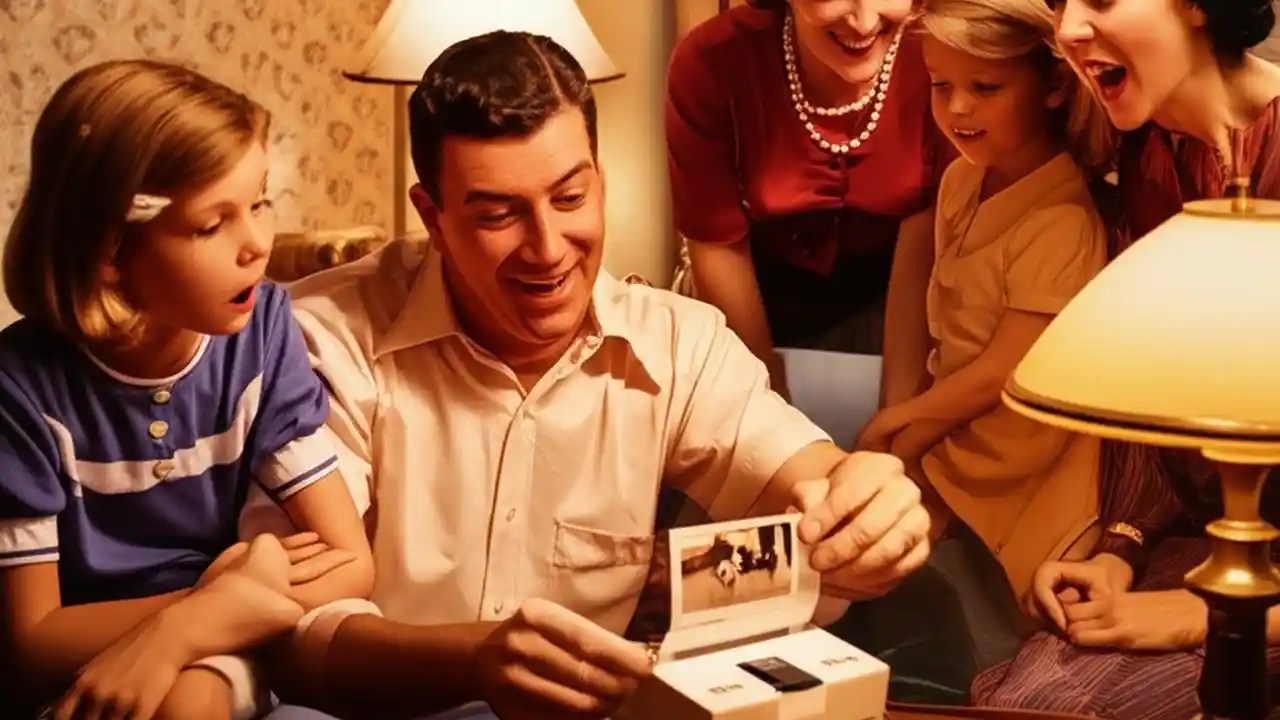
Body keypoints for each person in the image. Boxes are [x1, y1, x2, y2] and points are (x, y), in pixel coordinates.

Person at [265, 30, 930, 720]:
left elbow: (809, 476)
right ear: (432, 216)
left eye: (570, 198)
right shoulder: (319, 338)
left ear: (600, 182)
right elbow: (296, 637)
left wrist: (865, 509)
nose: (549, 249)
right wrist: (476, 661)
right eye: (498, 214)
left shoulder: (676, 342)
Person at [0, 60, 374, 720]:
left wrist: (196, 632)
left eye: (260, 202)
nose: (257, 244)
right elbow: (32, 642)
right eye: (212, 224)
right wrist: (207, 605)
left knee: (190, 700)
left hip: (223, 648)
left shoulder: (264, 334)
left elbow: (350, 560)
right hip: (87, 669)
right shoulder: (20, 387)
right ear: (110, 248)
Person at [971, 0, 1280, 716]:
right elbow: (1152, 397)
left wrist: (1202, 612)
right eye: (1059, 3)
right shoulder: (1149, 157)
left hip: (1251, 593)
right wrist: (1121, 548)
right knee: (1023, 695)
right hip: (1198, 551)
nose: (1070, 28)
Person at [854, 0, 1114, 606]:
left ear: (1052, 86)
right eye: (942, 86)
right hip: (952, 431)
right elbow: (943, 326)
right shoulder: (960, 182)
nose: (958, 108)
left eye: (985, 87)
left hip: (1017, 463)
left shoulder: (1063, 221)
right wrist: (911, 429)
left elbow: (1003, 370)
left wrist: (903, 426)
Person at [665, 0, 954, 404]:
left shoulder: (940, 53)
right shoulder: (713, 60)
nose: (864, 21)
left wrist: (895, 419)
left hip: (896, 297)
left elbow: (923, 235)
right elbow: (717, 245)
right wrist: (768, 406)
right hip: (753, 297)